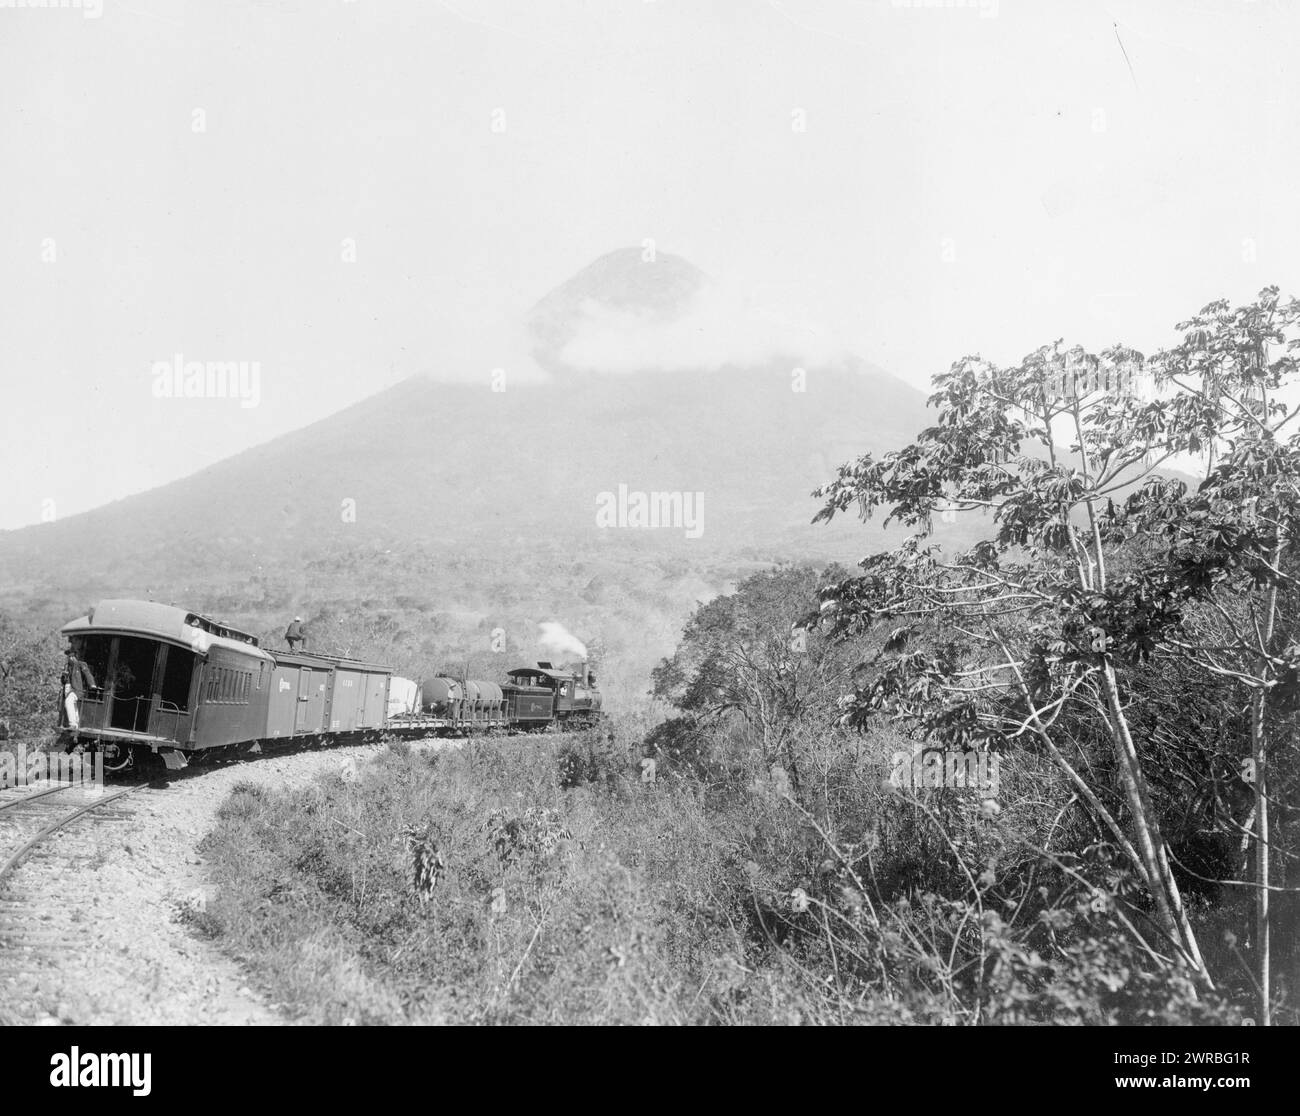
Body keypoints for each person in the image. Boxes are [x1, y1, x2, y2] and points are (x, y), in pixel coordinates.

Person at [62, 645, 96, 730]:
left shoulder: (81, 664)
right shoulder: (67, 667)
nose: (71, 659)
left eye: (73, 656)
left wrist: (92, 684)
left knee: (68, 701)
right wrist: (64, 676)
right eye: (69, 657)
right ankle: (76, 724)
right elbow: (63, 681)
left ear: (76, 657)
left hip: (77, 689)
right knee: (73, 705)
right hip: (67, 690)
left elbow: (87, 674)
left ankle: (73, 724)